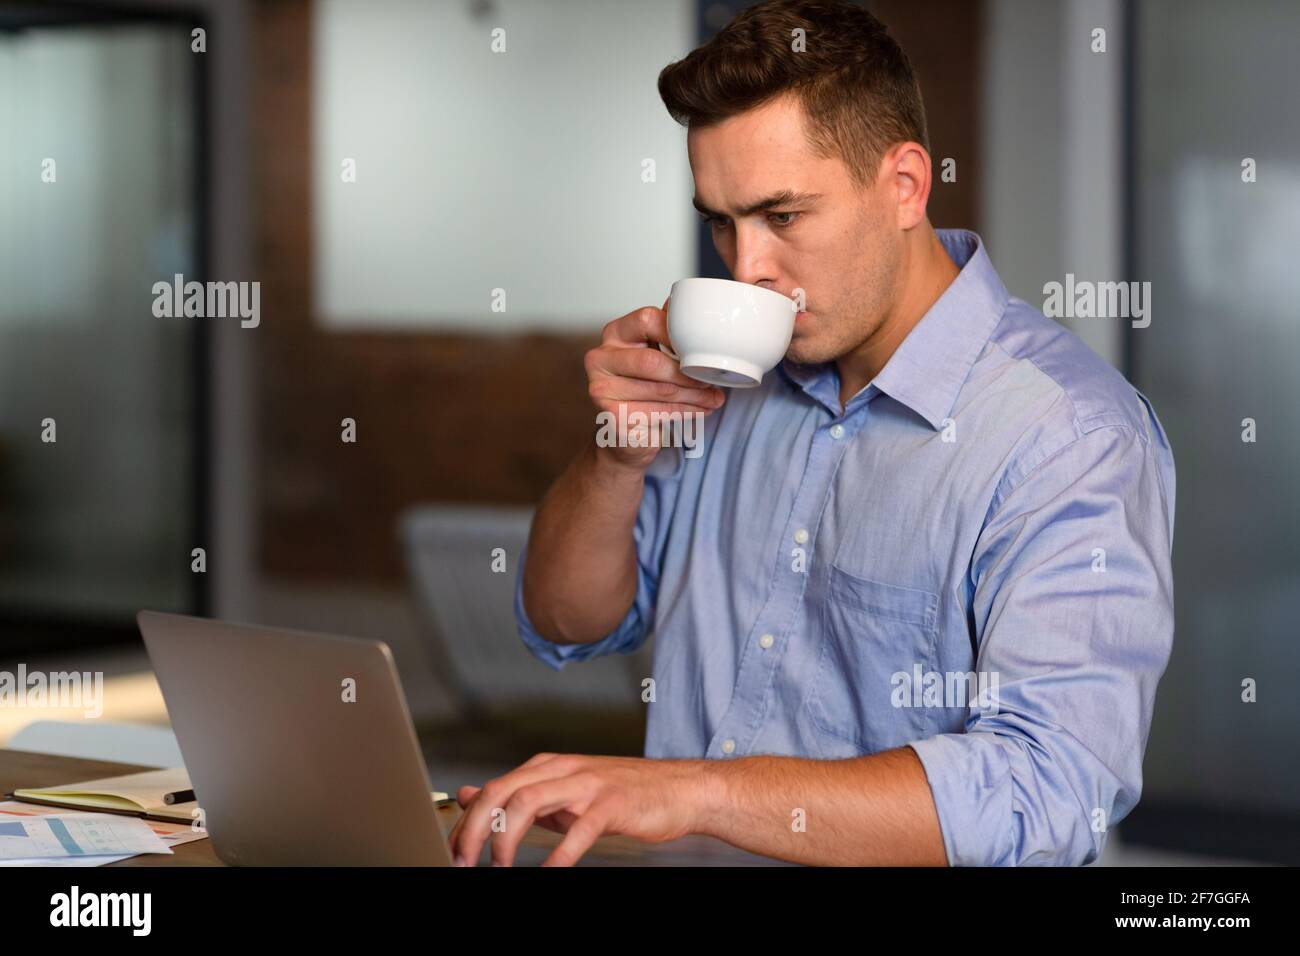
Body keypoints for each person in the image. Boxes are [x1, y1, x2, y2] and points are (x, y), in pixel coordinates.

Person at [447, 0, 1175, 867]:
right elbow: (566, 621)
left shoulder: (1068, 436)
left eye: (782, 216)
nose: (746, 266)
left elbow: (1044, 794)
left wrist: (689, 792)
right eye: (722, 220)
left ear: (904, 185)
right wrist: (615, 460)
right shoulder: (724, 383)